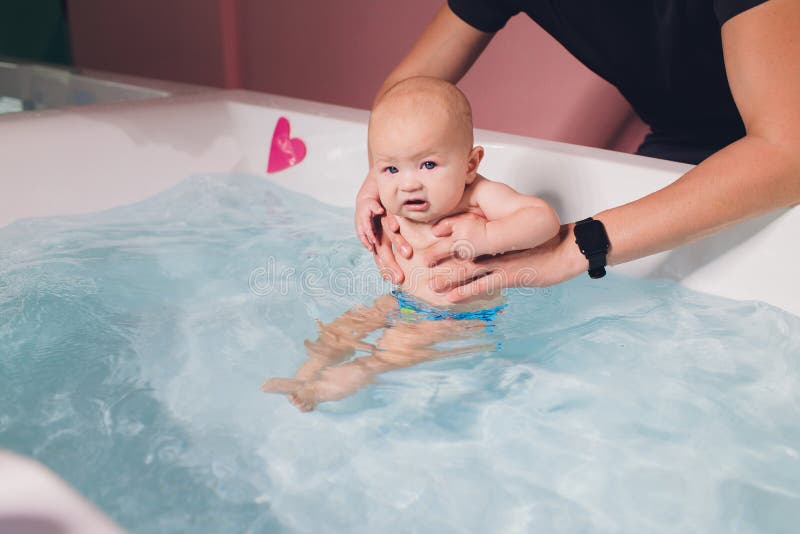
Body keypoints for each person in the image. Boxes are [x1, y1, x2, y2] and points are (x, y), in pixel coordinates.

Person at [354, 0, 800, 303]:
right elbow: (403, 93)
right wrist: (380, 181)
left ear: (474, 164)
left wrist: (574, 248)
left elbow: (787, 150)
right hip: (683, 137)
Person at [262, 76, 560, 411]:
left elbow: (543, 220)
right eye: (390, 169)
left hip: (459, 319)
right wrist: (365, 204)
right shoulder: (393, 200)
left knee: (394, 347)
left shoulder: (478, 197)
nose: (408, 184)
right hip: (402, 300)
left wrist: (488, 236)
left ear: (470, 165)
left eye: (428, 164)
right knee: (342, 328)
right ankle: (307, 374)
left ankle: (350, 377)